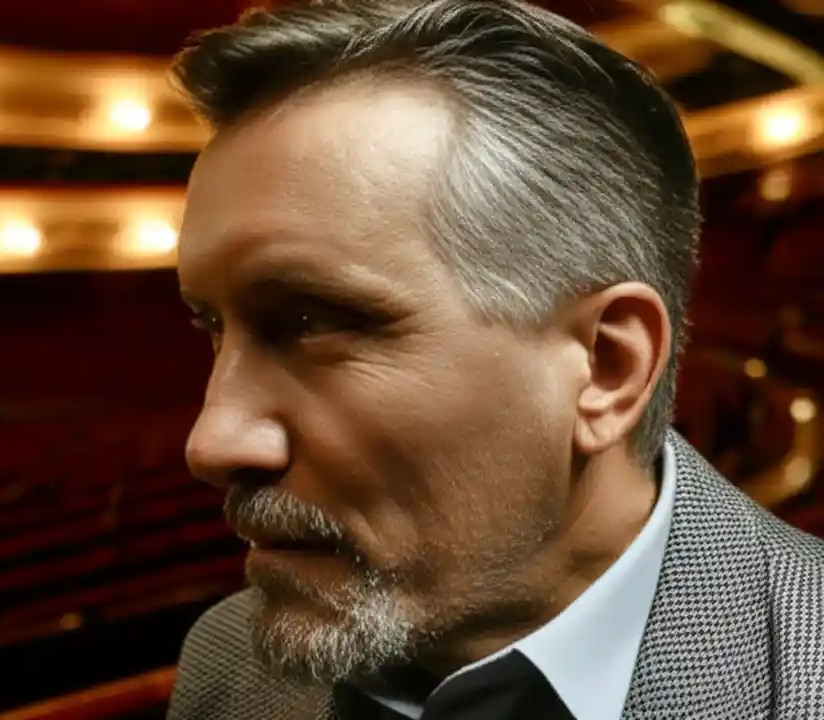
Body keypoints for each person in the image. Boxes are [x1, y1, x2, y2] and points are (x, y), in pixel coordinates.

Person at [164, 1, 824, 718]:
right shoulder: (229, 661)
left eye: (310, 322)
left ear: (607, 368)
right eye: (210, 326)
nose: (212, 442)